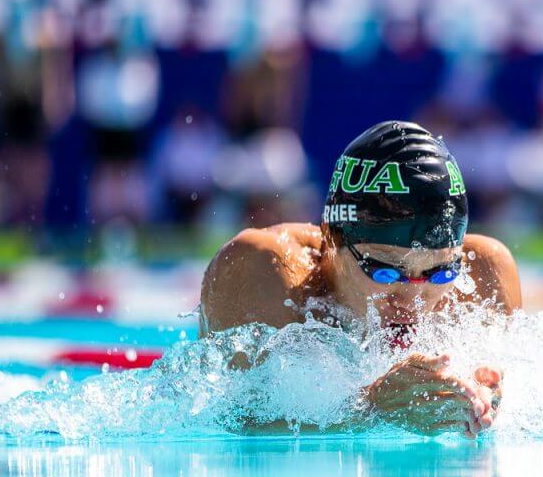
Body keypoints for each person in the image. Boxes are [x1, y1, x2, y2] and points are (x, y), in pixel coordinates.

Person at [199, 121, 521, 438]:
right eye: (386, 271)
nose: (413, 300)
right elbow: (235, 424)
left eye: (439, 273)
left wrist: (486, 396)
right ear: (332, 239)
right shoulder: (262, 271)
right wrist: (371, 408)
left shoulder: (485, 272)